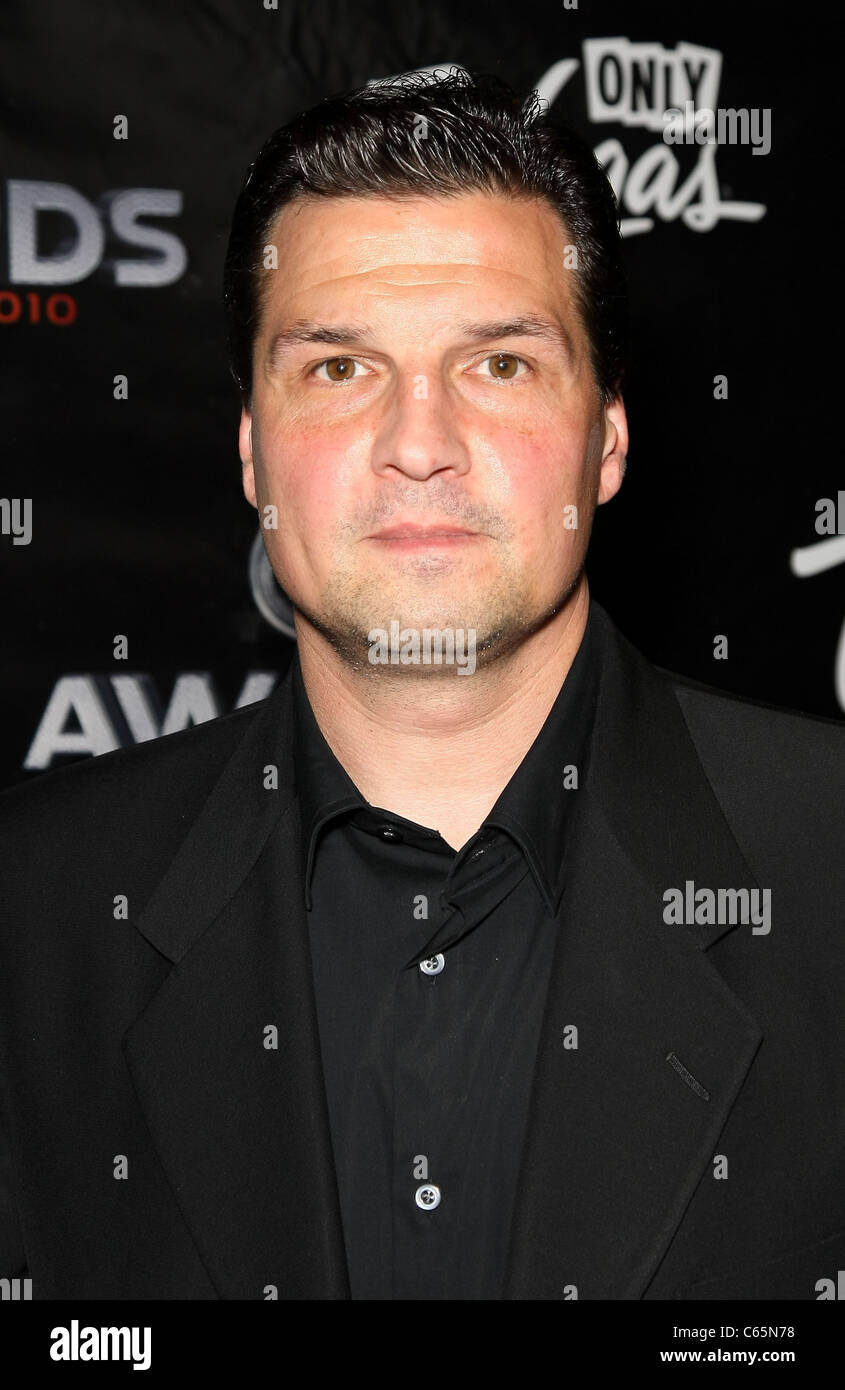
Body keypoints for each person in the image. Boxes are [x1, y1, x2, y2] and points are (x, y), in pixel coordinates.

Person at [1, 69, 844, 1302]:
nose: (417, 440)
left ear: (605, 437)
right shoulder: (35, 914)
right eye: (338, 370)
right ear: (251, 447)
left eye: (497, 364)